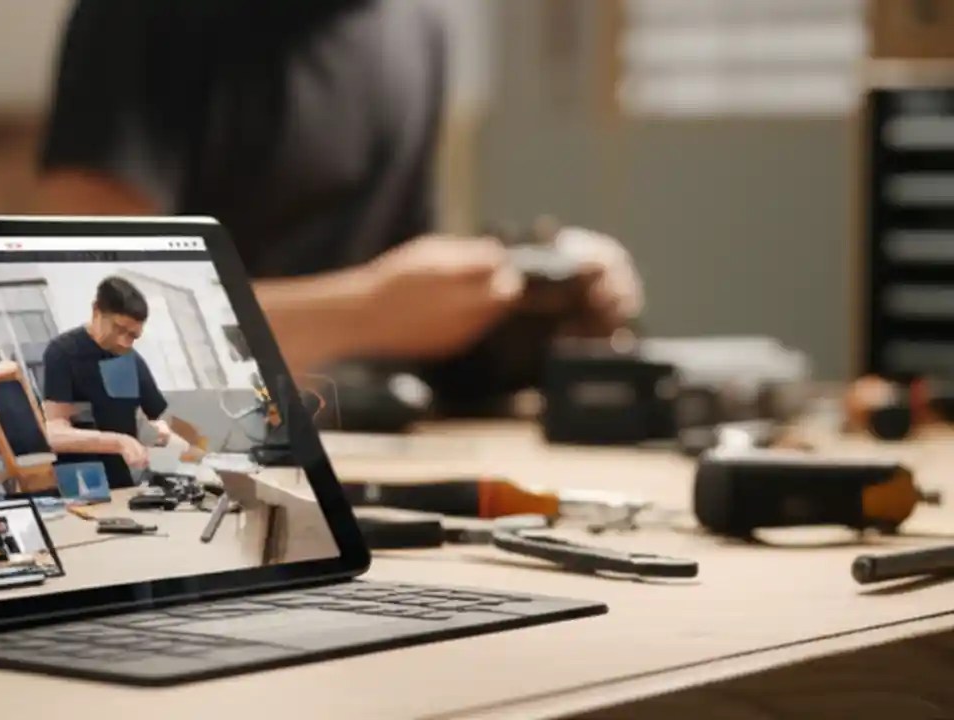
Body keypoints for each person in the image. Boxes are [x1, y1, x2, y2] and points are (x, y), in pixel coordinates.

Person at [36, 0, 643, 381]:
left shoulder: (415, 26)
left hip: (365, 441)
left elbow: (408, 307)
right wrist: (367, 311)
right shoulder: (138, 18)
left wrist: (538, 297)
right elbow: (96, 321)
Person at [41, 276, 177, 488]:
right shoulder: (63, 353)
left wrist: (164, 434)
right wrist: (118, 442)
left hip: (124, 481)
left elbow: (160, 419)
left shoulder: (130, 360)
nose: (124, 342)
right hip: (82, 482)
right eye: (119, 329)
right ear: (96, 311)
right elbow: (54, 433)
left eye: (133, 336)